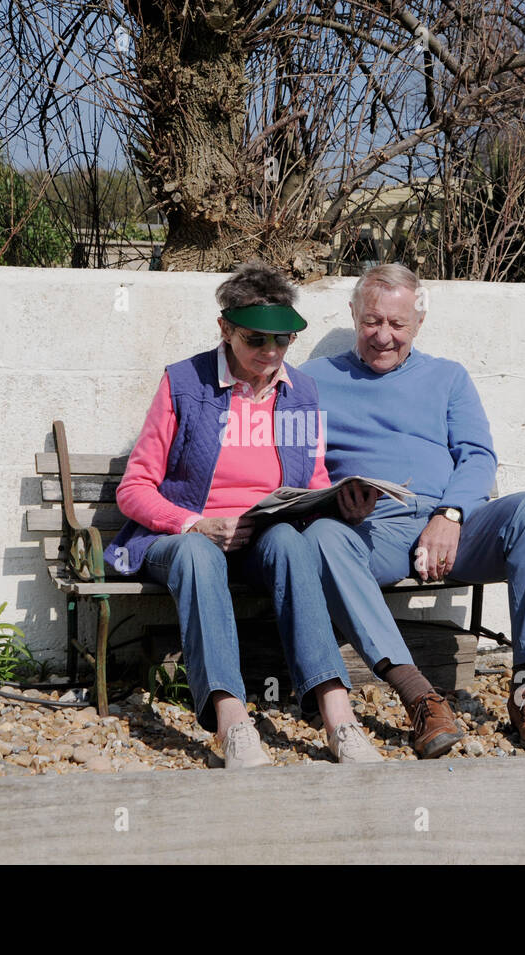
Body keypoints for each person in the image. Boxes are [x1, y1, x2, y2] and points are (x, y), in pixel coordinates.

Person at [107, 262, 383, 768]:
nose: (272, 353)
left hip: (263, 536)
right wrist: (197, 524)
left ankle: (338, 717)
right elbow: (134, 489)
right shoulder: (182, 384)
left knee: (291, 543)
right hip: (187, 538)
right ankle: (233, 723)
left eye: (283, 341)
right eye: (257, 339)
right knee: (196, 554)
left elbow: (312, 478)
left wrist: (336, 502)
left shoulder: (300, 391)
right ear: (225, 329)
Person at [301, 263, 525, 756]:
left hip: (452, 527)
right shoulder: (312, 380)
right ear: (354, 314)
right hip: (370, 531)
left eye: (396, 325)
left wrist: (449, 515)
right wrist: (335, 501)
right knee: (320, 538)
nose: (383, 336)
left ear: (418, 323)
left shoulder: (448, 377)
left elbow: (477, 456)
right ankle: (420, 698)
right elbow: (297, 466)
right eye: (371, 322)